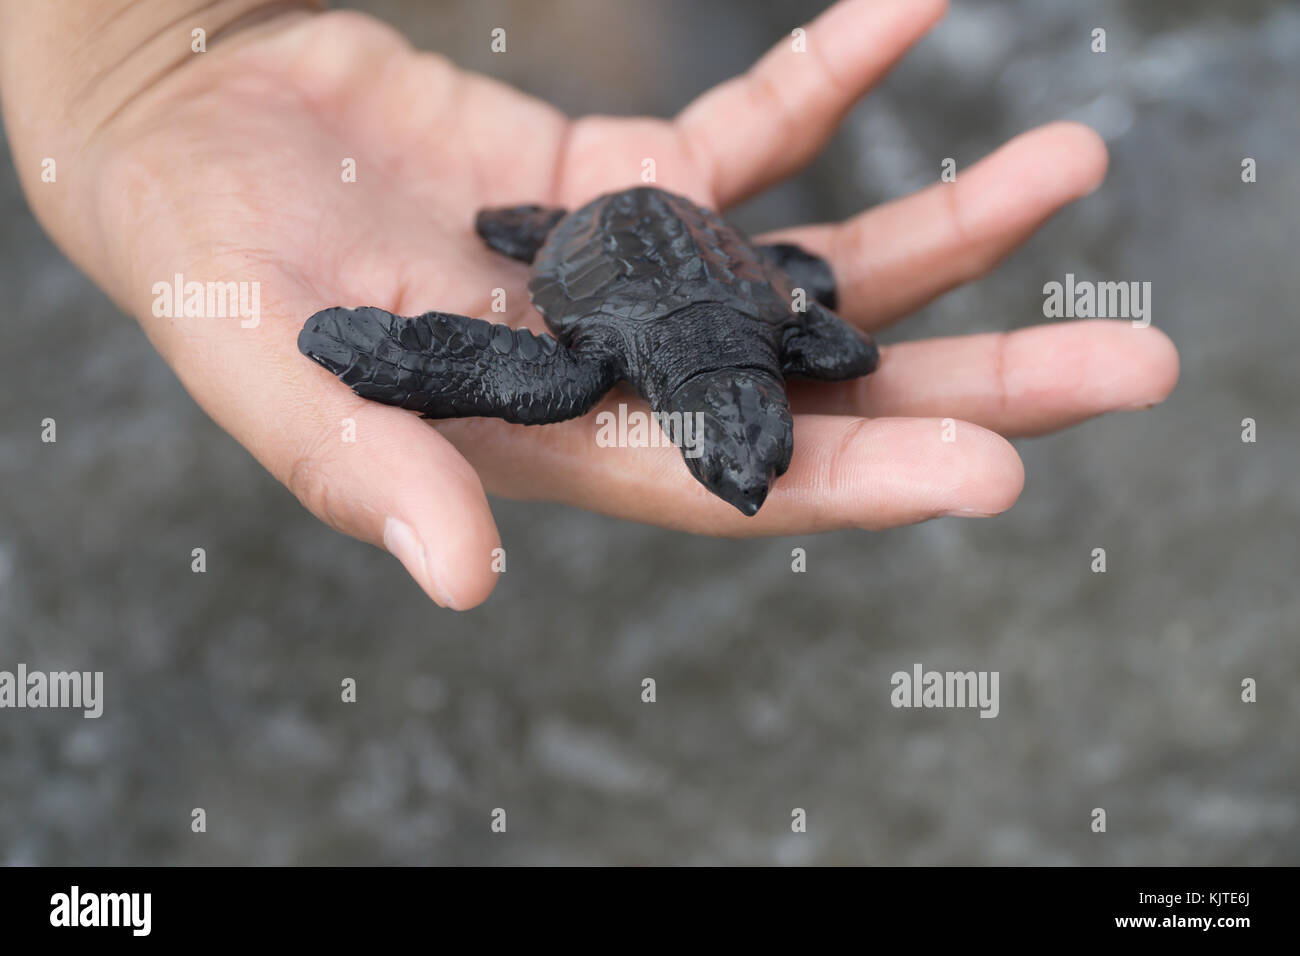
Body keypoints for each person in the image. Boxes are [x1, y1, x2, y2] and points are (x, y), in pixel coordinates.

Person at [0, 0, 1178, 610]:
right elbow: (819, 321)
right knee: (545, 376)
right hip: (601, 246)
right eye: (734, 448)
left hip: (705, 265)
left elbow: (826, 328)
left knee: (834, 342)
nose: (743, 467)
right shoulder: (611, 356)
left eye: (732, 452)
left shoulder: (781, 335)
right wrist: (136, 64)